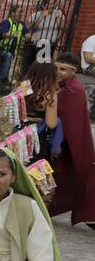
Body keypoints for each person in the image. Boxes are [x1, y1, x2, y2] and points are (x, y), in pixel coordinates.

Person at [48, 52, 95, 227]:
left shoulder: (75, 89)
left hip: (69, 141)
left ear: (73, 71)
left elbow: (66, 116)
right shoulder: (59, 85)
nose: (58, 72)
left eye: (63, 69)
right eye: (56, 68)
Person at [25, 0, 65, 71]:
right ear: (45, 5)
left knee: (43, 68)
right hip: (36, 44)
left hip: (49, 44)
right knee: (32, 67)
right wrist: (41, 17)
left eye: (53, 4)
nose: (52, 6)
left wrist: (57, 18)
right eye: (50, 4)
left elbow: (62, 28)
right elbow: (31, 29)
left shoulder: (59, 14)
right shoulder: (36, 15)